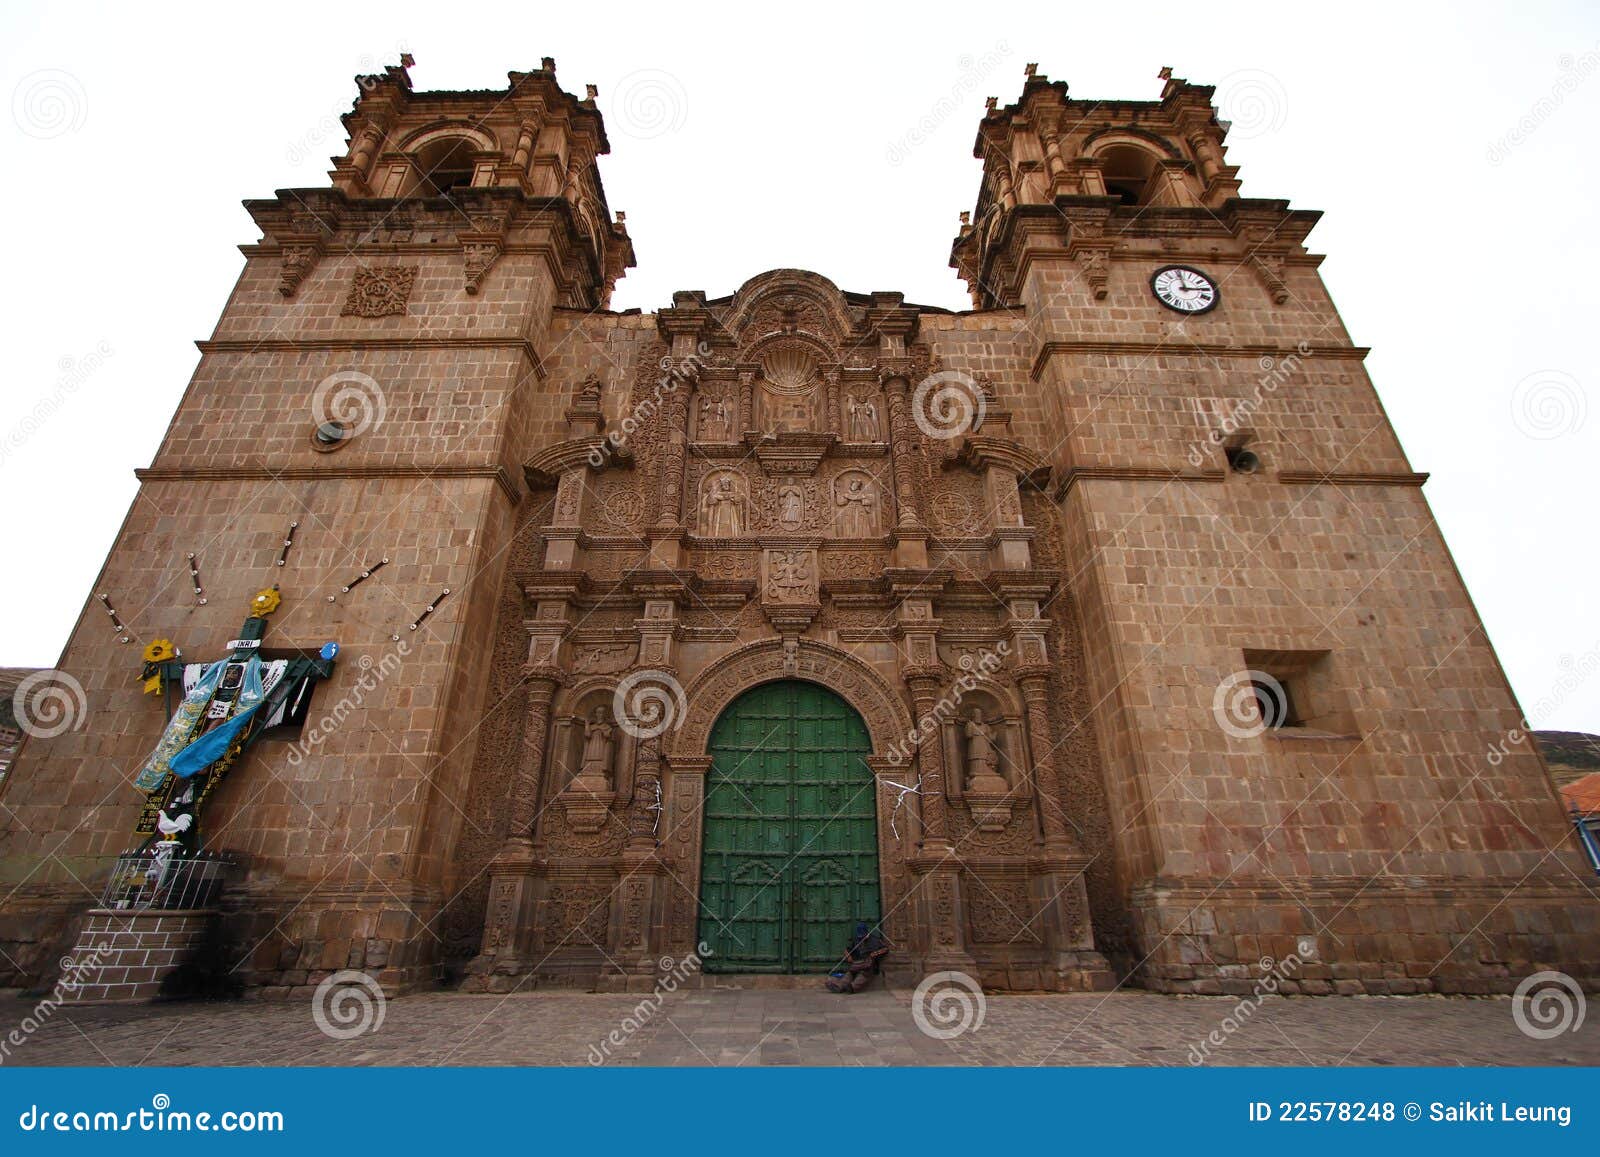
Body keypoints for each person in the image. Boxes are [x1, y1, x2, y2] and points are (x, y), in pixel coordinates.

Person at [825, 920, 890, 993]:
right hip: (857, 963)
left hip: (869, 965)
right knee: (850, 973)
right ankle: (840, 986)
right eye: (860, 936)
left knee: (864, 974)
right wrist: (848, 956)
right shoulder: (857, 940)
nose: (861, 938)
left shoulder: (875, 940)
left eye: (863, 936)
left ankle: (852, 988)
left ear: (867, 933)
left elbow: (885, 949)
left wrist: (874, 953)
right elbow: (847, 949)